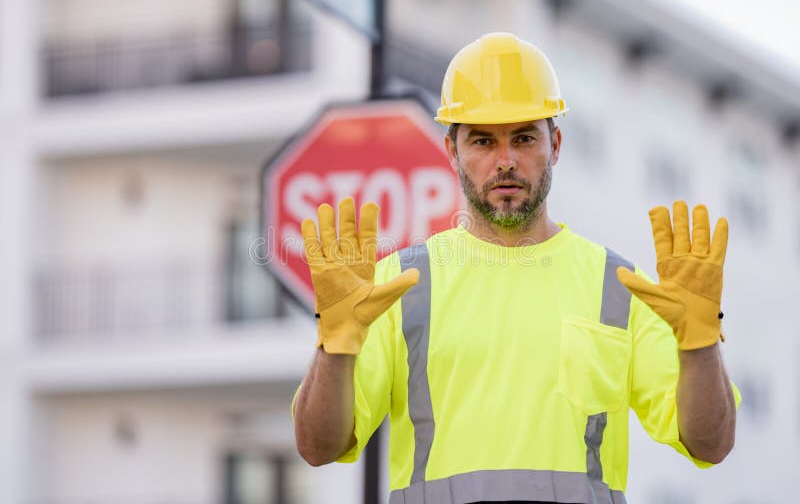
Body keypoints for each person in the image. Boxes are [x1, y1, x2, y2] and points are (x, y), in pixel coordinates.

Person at [292, 32, 739, 504]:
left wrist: (700, 345)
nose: (505, 161)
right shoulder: (396, 286)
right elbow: (318, 446)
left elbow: (710, 442)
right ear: (451, 151)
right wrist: (333, 348)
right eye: (483, 141)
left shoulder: (621, 287)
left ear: (556, 144)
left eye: (524, 138)